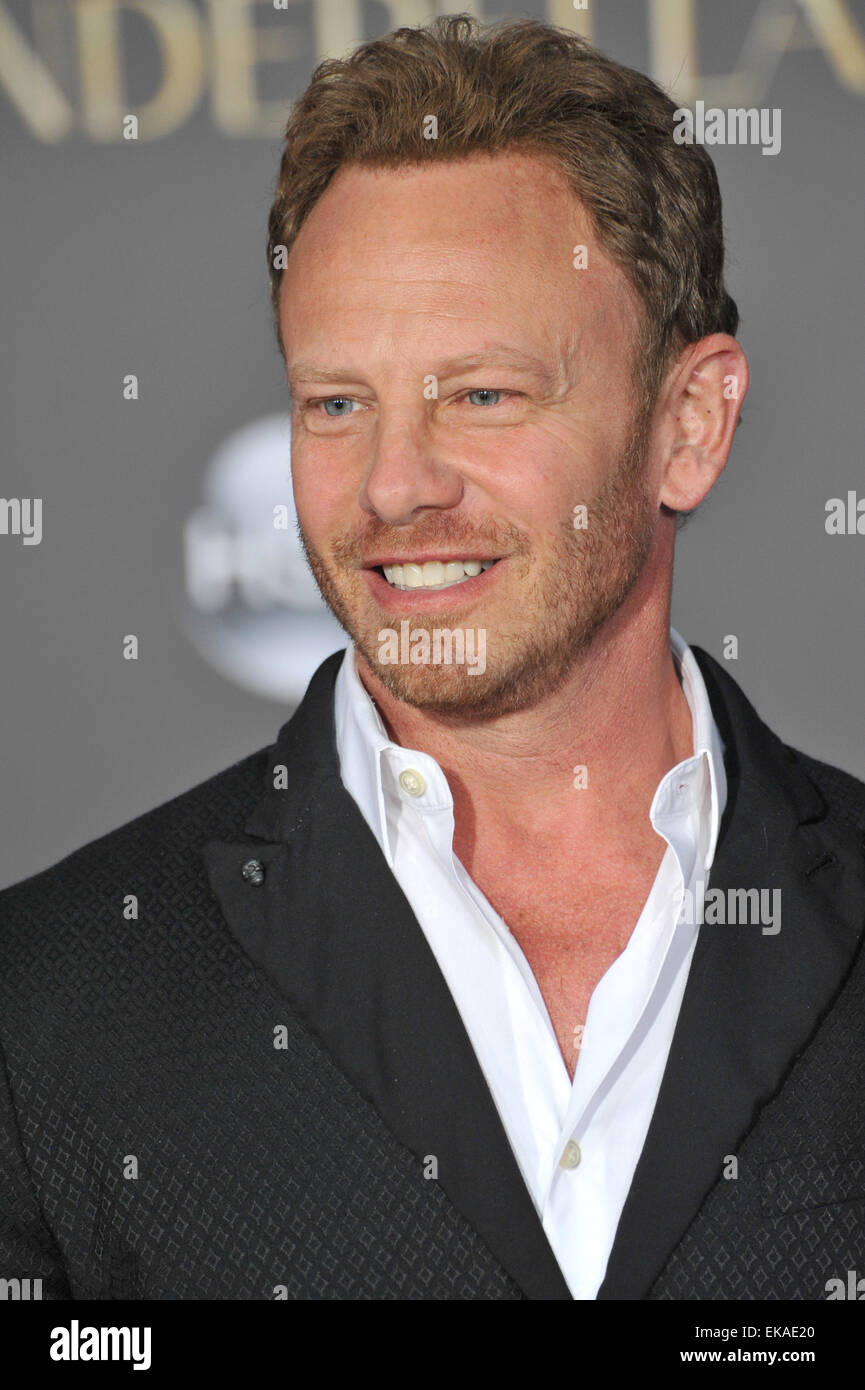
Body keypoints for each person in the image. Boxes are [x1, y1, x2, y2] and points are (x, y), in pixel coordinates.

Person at [2, 14, 864, 1303]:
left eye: (483, 394)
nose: (396, 486)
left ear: (686, 426)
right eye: (337, 404)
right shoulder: (49, 1004)